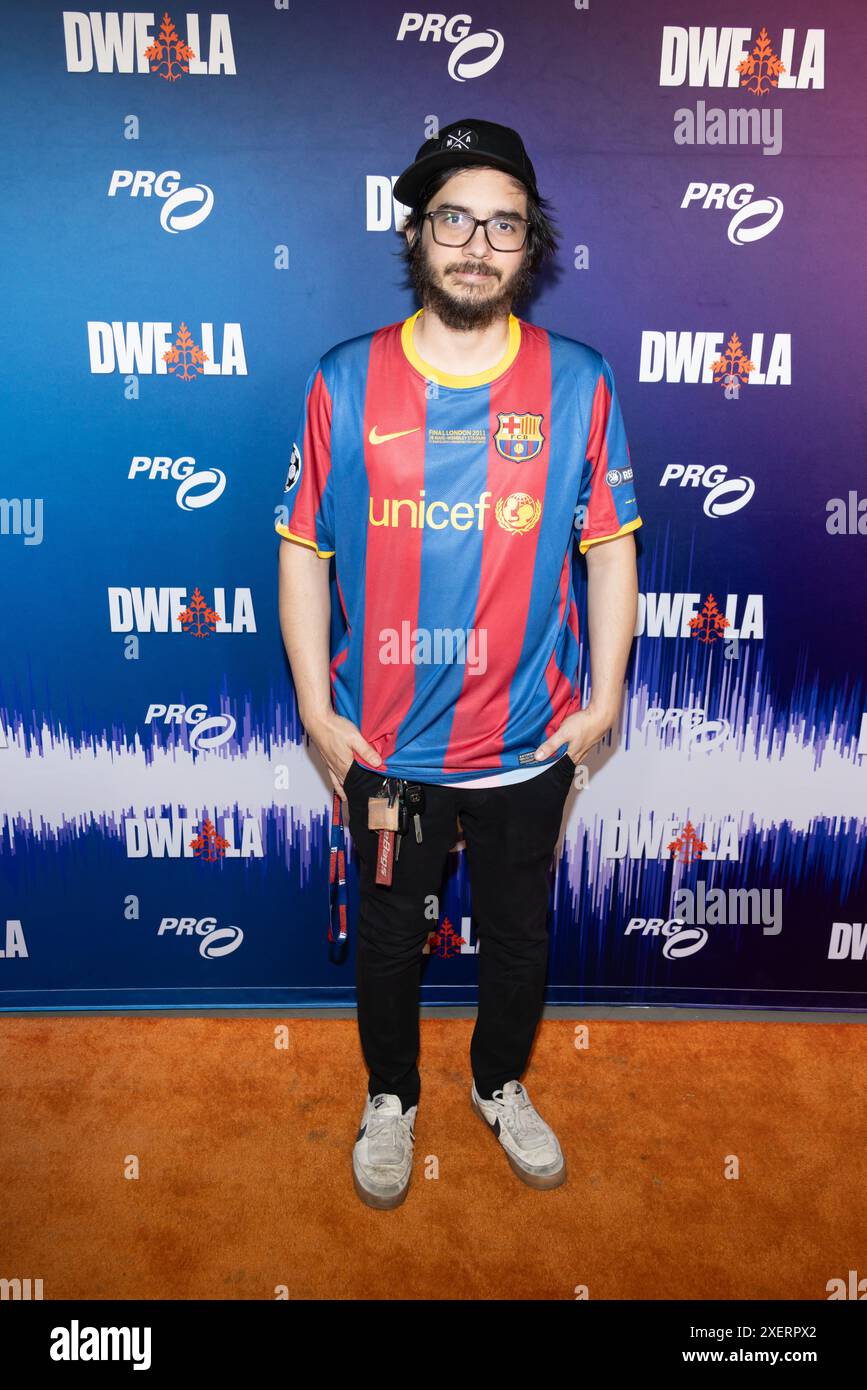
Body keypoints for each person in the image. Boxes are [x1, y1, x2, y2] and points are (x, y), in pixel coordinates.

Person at [275, 118, 642, 1209]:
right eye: (454, 219)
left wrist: (607, 702)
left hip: (532, 742)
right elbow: (303, 551)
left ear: (530, 245)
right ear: (418, 233)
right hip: (386, 750)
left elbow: (611, 547)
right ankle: (392, 1097)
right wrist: (312, 708)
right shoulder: (345, 379)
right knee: (390, 941)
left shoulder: (580, 380)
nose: (477, 243)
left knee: (520, 937)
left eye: (504, 223)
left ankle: (499, 1082)